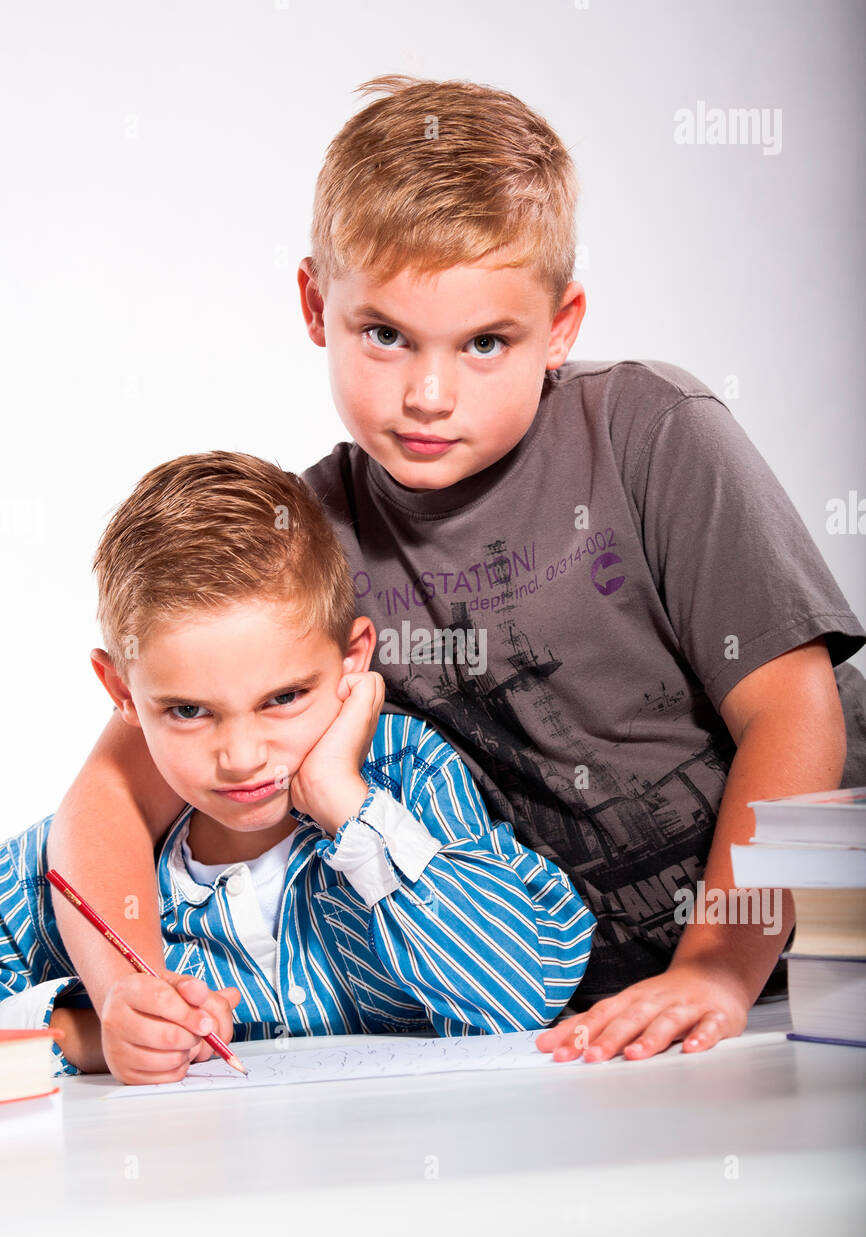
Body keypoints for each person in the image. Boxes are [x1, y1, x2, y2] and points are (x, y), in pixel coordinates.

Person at [46, 76, 866, 1071]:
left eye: (485, 343)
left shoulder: (651, 431)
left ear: (559, 326)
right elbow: (111, 791)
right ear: (315, 303)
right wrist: (128, 983)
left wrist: (719, 966)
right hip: (599, 1004)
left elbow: (794, 714)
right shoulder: (305, 540)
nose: (428, 395)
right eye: (384, 335)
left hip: (822, 924)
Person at [0, 452, 596, 1079]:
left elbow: (522, 993)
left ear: (353, 659)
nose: (242, 757)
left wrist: (346, 803)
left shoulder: (407, 781)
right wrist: (85, 1030)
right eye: (188, 711)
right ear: (122, 692)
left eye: (283, 698)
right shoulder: (83, 868)